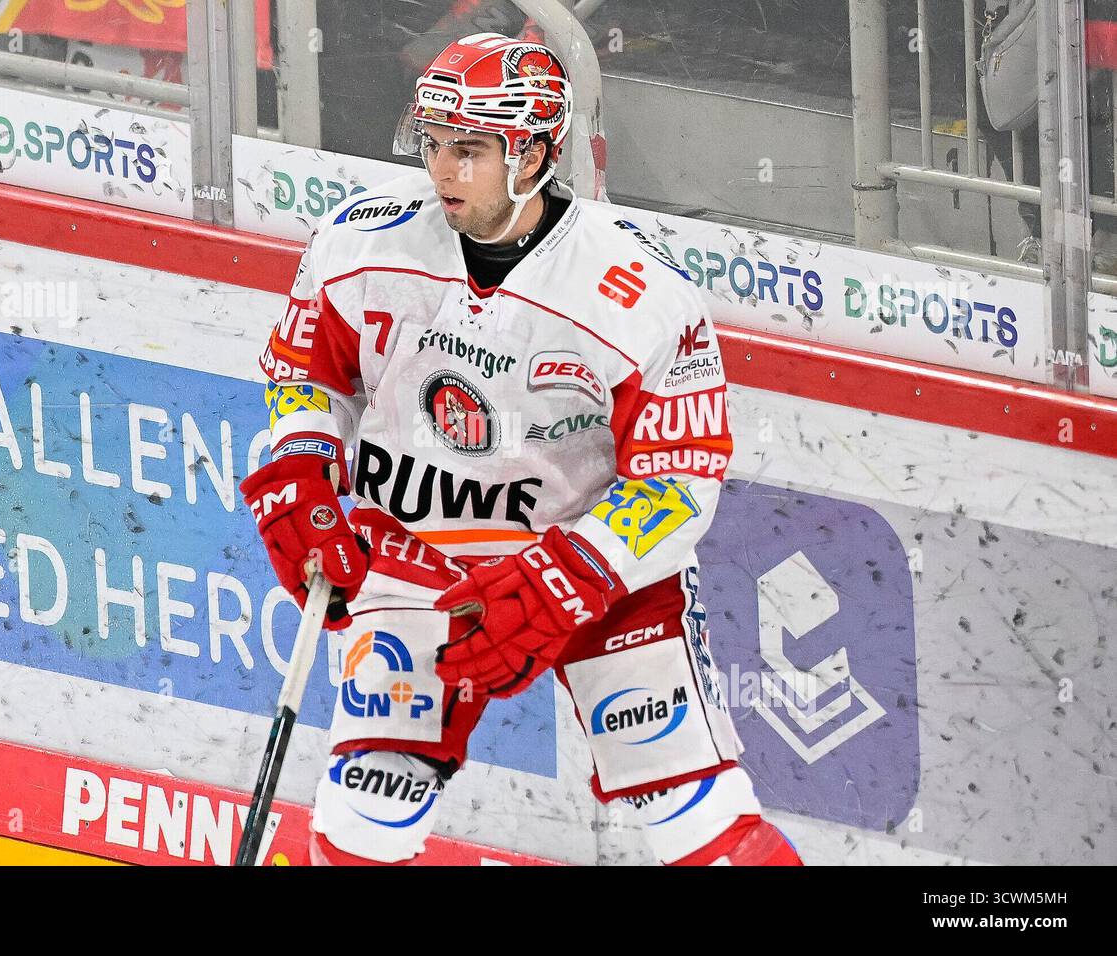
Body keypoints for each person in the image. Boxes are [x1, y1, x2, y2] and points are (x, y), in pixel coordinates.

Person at [239, 32, 803, 867]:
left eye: (469, 150)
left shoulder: (640, 295)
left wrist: (573, 574)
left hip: (594, 573)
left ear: (534, 151)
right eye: (433, 145)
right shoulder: (358, 245)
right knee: (360, 822)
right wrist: (299, 469)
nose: (442, 171)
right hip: (418, 555)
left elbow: (680, 475)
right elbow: (307, 378)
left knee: (699, 823)